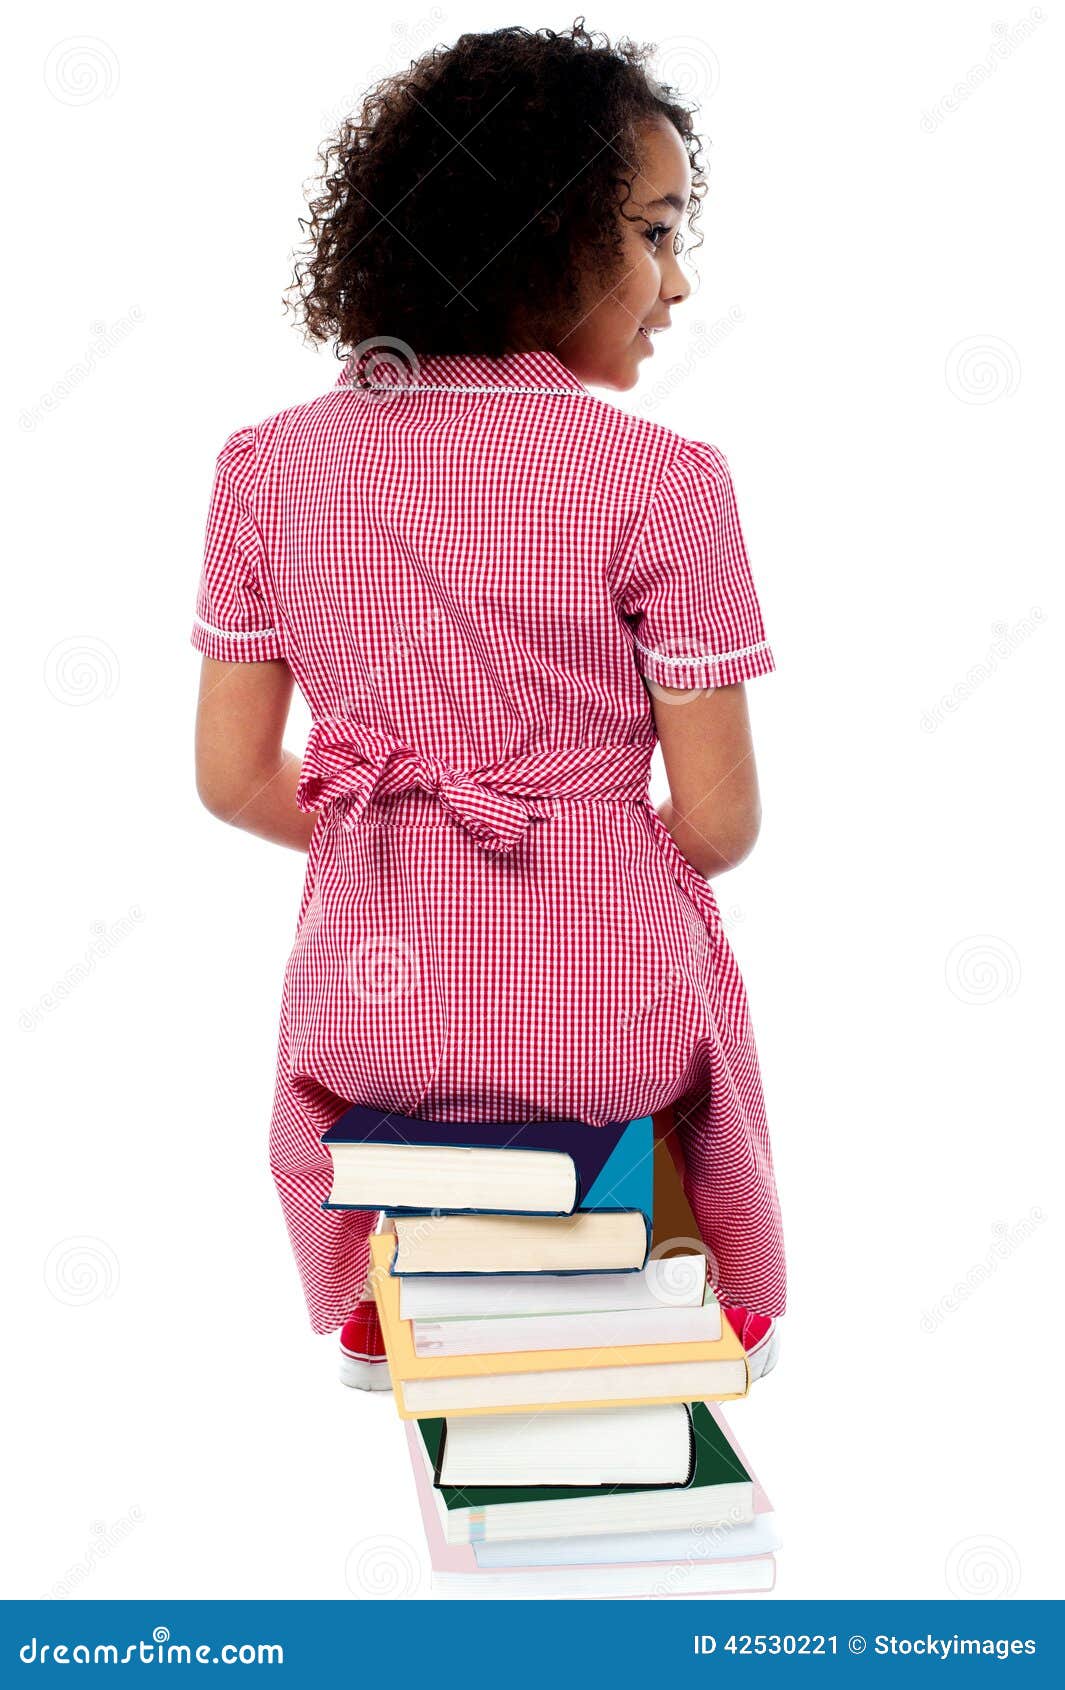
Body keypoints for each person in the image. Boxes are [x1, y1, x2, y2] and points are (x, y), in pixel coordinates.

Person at [191, 21, 786, 1390]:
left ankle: (383, 1276)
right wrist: (565, 848)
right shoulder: (664, 480)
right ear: (547, 237)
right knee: (672, 1019)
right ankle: (695, 1265)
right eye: (654, 232)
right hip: (607, 1031)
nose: (679, 280)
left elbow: (232, 779)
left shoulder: (267, 468)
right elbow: (719, 822)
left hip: (375, 1026)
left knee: (365, 1037)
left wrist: (409, 839)